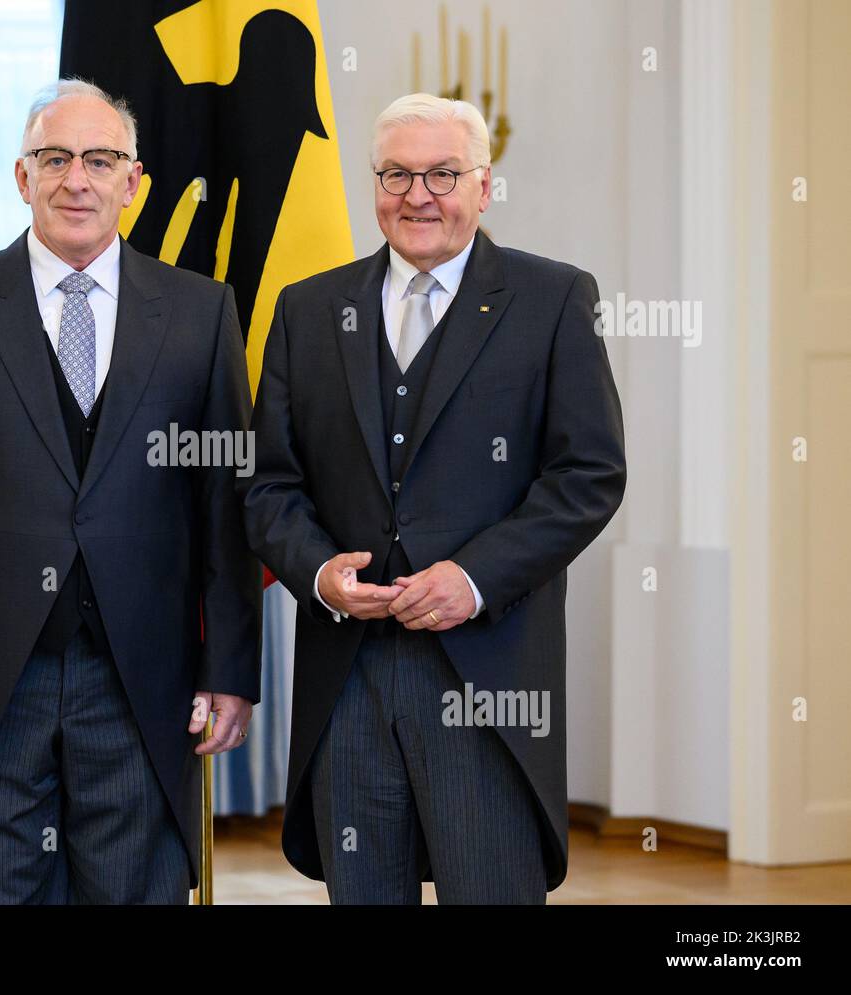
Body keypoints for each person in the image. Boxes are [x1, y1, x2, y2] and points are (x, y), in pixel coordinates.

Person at [0, 78, 261, 904]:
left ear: (133, 181)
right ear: (21, 176)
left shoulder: (201, 312)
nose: (77, 179)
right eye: (55, 158)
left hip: (144, 684)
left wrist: (231, 666)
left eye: (100, 159)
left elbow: (225, 508)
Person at [238, 92, 626, 904]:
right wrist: (318, 573)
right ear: (374, 183)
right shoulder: (307, 309)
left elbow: (588, 473)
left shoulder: (553, 300)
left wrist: (474, 578)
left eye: (442, 174)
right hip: (346, 680)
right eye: (396, 174)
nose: (417, 195)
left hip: (486, 678)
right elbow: (269, 482)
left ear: (484, 187)